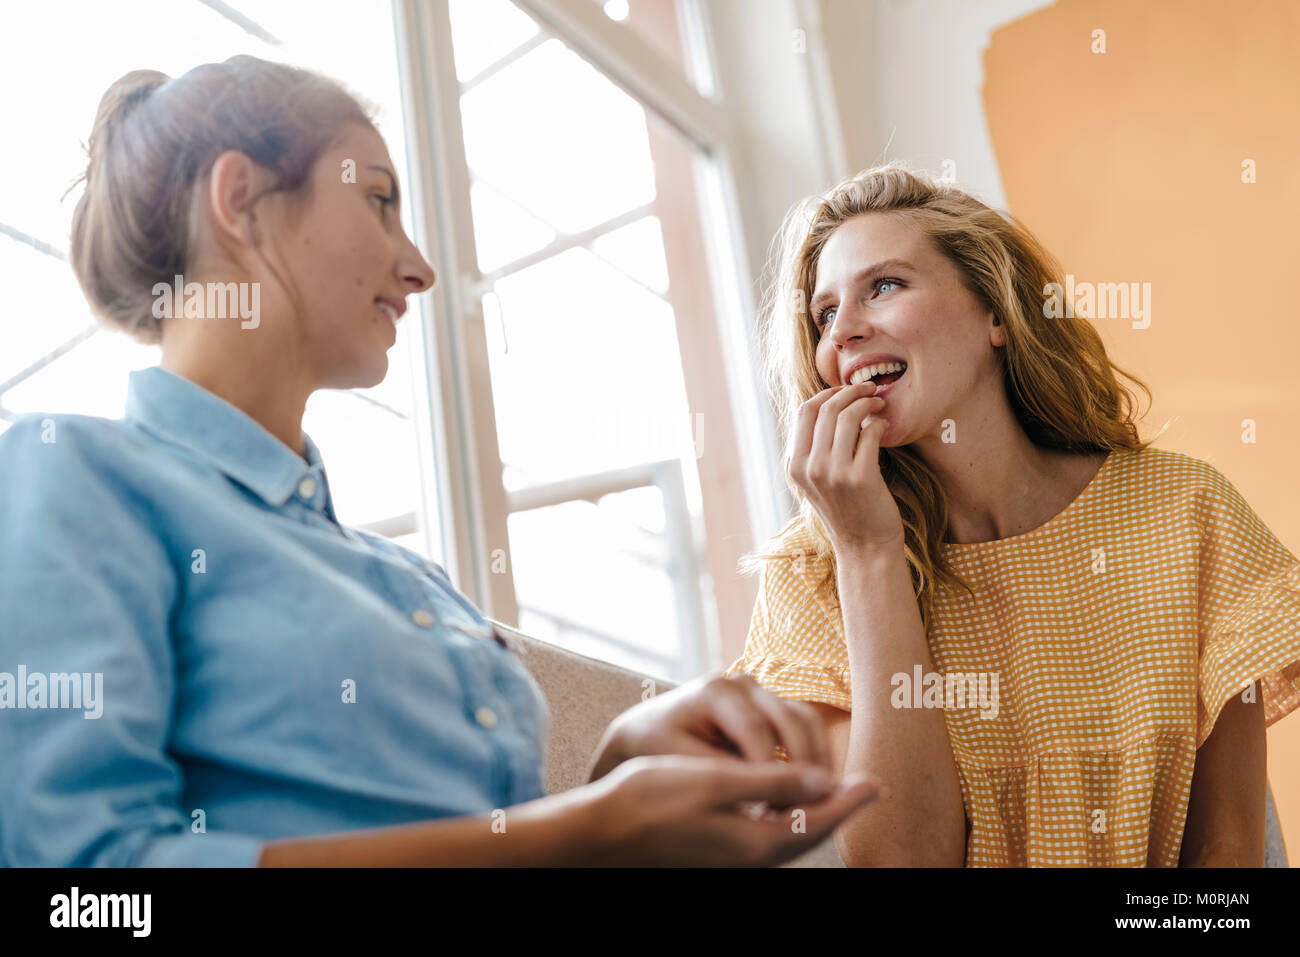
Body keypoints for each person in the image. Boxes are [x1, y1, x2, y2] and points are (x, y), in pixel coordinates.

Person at [0, 56, 879, 867]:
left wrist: (619, 763)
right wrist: (584, 828)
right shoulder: (74, 477)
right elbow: (82, 892)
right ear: (242, 201)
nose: (415, 266)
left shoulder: (410, 581)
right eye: (379, 200)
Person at [724, 164, 1300, 867]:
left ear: (995, 312)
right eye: (823, 313)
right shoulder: (815, 569)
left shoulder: (1186, 513)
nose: (843, 330)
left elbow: (1227, 863)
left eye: (885, 285)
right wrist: (869, 551)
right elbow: (907, 863)